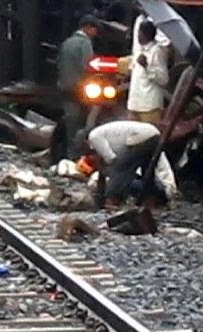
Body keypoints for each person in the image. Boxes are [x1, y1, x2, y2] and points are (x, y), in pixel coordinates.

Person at [81, 119, 177, 209]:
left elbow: (111, 159)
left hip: (140, 137)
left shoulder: (93, 137)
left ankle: (112, 201)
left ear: (85, 142)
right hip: (153, 134)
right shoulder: (103, 133)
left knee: (120, 169)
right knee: (147, 172)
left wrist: (101, 166)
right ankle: (149, 201)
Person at [57, 15, 101, 159]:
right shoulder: (85, 43)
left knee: (71, 124)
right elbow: (87, 66)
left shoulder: (67, 42)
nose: (96, 33)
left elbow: (60, 64)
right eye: (95, 29)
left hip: (65, 89)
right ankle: (80, 157)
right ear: (87, 27)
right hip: (80, 91)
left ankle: (69, 157)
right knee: (88, 120)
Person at [127, 20, 169, 125]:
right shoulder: (138, 51)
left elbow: (164, 79)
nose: (137, 36)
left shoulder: (157, 51)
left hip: (149, 107)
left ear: (146, 34)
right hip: (134, 104)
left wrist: (147, 67)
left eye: (139, 33)